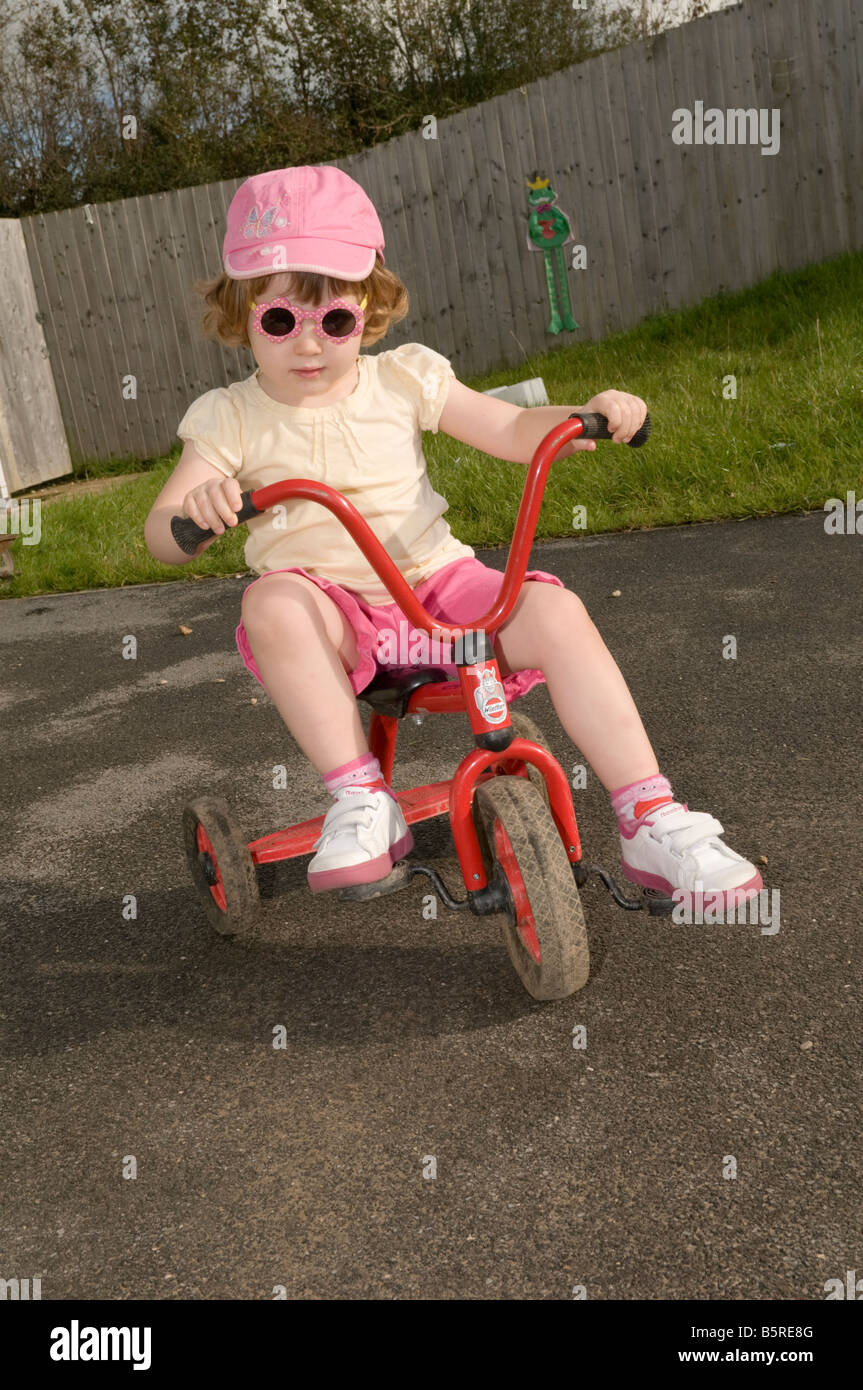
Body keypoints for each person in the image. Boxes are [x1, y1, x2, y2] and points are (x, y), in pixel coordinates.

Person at [145, 165, 762, 906]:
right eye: (280, 322)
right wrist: (199, 511)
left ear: (367, 311)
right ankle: (360, 798)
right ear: (241, 314)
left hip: (440, 597)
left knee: (558, 612)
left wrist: (581, 415)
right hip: (339, 625)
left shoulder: (404, 378)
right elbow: (162, 531)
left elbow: (506, 426)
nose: (308, 345)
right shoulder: (228, 416)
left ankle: (650, 817)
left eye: (334, 321)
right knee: (272, 599)